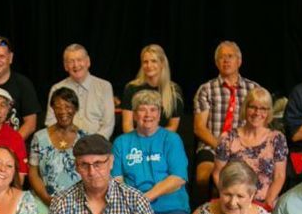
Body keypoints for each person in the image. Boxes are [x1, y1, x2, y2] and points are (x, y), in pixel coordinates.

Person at [111, 90, 190, 214]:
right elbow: (117, 180)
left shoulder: (171, 139)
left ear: (159, 115)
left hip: (170, 208)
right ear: (134, 114)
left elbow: (178, 179)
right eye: (142, 109)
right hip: (132, 209)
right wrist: (132, 204)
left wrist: (145, 198)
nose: (148, 115)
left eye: (153, 109)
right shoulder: (121, 142)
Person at [193, 41, 263, 202]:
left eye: (230, 56)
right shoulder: (206, 89)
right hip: (212, 146)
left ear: (239, 61)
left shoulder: (253, 89)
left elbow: (261, 124)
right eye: (221, 57)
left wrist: (240, 147)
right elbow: (199, 128)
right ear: (216, 63)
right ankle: (207, 207)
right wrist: (223, 147)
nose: (226, 61)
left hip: (245, 145)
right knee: (203, 177)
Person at [212, 87, 288, 205]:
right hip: (233, 203)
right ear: (245, 108)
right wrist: (230, 199)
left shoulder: (277, 139)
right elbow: (218, 173)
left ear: (269, 112)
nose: (257, 113)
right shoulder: (227, 138)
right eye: (253, 107)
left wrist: (266, 205)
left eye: (263, 108)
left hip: (265, 204)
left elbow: (279, 176)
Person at [28, 87, 86, 206]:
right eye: (58, 107)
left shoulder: (85, 139)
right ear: (52, 109)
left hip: (78, 203)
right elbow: (33, 173)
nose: (63, 111)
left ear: (75, 109)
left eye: (68, 106)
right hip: (45, 201)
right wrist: (47, 199)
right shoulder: (39, 138)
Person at [44, 44, 114, 139]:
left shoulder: (104, 87)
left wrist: (94, 145)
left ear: (88, 62)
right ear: (65, 66)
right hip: (64, 145)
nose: (76, 65)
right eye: (71, 61)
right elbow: (50, 122)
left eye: (79, 60)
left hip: (96, 146)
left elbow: (108, 125)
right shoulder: (57, 89)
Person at [121, 44, 184, 133]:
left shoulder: (174, 91)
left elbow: (172, 127)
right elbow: (127, 126)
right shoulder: (131, 88)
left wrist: (152, 140)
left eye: (154, 61)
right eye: (145, 62)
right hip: (136, 141)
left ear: (162, 64)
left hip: (162, 141)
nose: (149, 65)